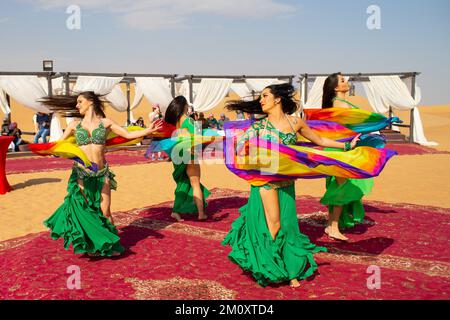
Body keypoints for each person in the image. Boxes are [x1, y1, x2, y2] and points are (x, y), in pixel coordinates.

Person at [222, 83, 362, 288]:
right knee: (274, 225)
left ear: (278, 99)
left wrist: (346, 145)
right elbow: (240, 149)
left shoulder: (296, 122)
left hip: (287, 183)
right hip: (266, 181)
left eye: (265, 96)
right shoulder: (258, 127)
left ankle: (290, 270)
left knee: (287, 227)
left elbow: (319, 139)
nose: (261, 100)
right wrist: (245, 151)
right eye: (260, 97)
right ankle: (271, 266)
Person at [37, 91, 162, 257]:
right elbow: (59, 144)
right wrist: (45, 150)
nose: (77, 105)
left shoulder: (106, 122)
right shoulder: (74, 125)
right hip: (82, 173)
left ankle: (110, 245)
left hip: (101, 173)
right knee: (85, 209)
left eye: (80, 102)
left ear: (90, 102)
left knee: (105, 211)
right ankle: (92, 246)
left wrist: (147, 130)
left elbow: (128, 134)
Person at [319, 73, 375, 241]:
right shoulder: (340, 104)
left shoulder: (340, 103)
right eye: (343, 80)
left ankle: (332, 224)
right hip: (340, 150)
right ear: (336, 87)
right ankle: (333, 227)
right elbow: (342, 130)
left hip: (343, 149)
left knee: (341, 186)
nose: (346, 81)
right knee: (343, 188)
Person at [163, 96, 210, 222]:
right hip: (189, 154)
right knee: (195, 184)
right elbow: (198, 136)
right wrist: (198, 122)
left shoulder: (175, 124)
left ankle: (175, 212)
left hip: (177, 156)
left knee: (183, 183)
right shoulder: (188, 121)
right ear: (183, 106)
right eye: (187, 104)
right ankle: (201, 214)